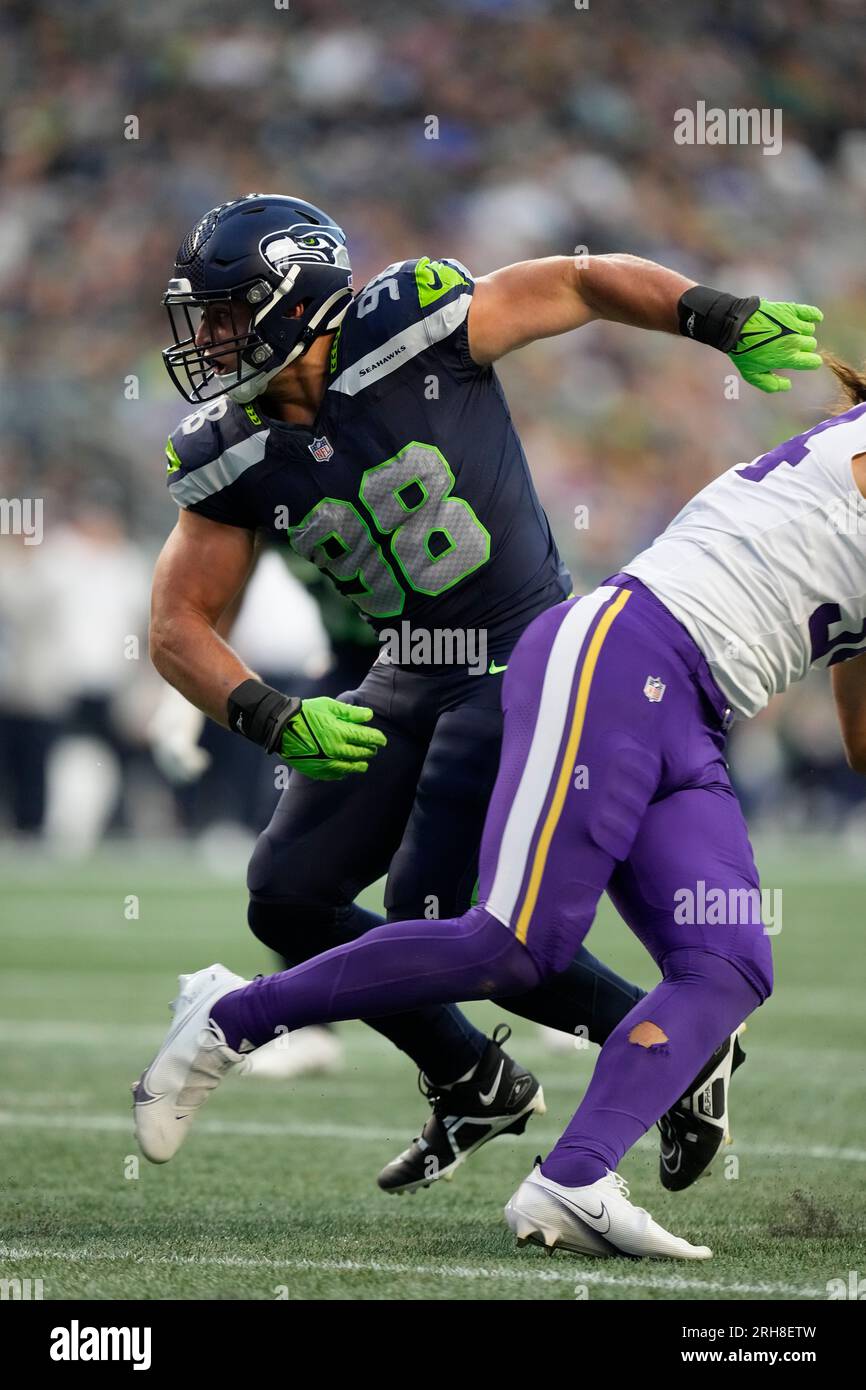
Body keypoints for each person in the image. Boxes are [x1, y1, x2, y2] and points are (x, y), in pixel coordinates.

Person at [142, 191, 822, 1196]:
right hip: (403, 665)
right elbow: (175, 625)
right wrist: (271, 713)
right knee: (286, 893)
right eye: (206, 316)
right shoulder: (229, 445)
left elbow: (581, 280)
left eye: (232, 310)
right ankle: (473, 1077)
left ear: (302, 292)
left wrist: (712, 316)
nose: (212, 337)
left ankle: (662, 1043)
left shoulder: (405, 322)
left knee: (439, 908)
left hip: (523, 652)